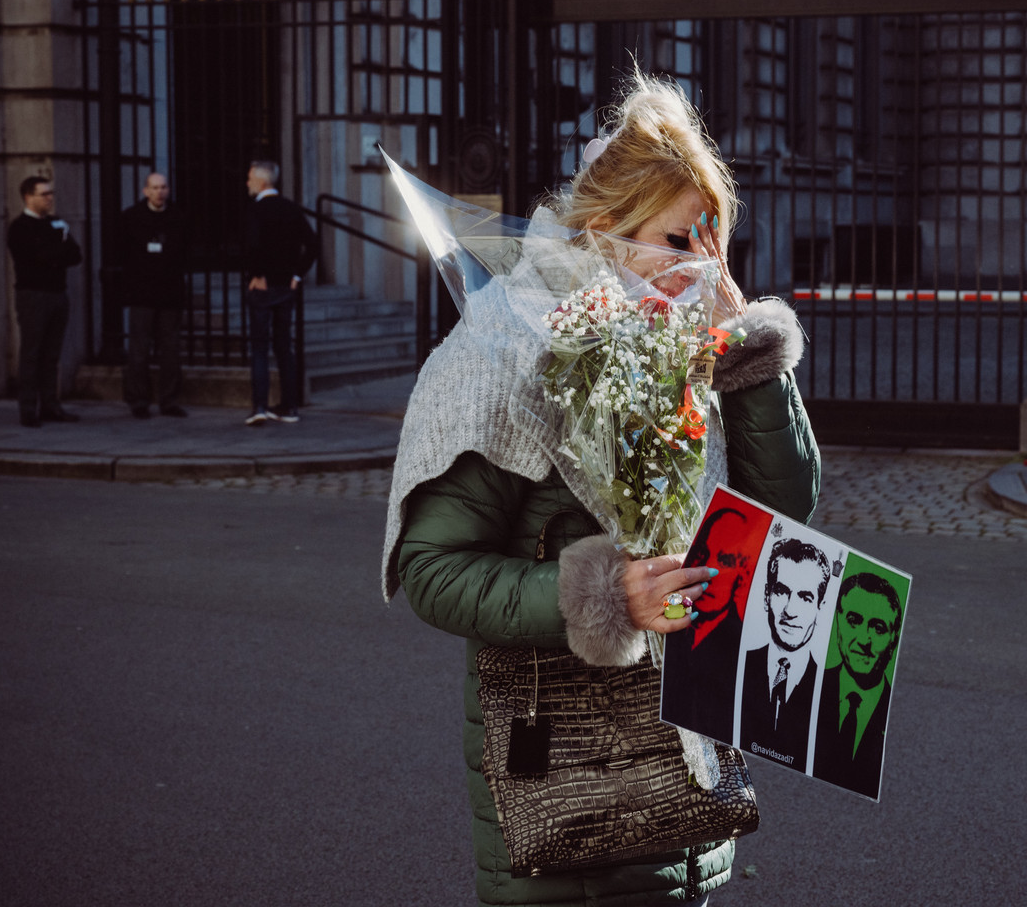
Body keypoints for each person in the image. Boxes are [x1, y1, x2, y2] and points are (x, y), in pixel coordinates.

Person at [382, 72, 820, 907]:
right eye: (679, 239)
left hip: (685, 763)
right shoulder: (503, 347)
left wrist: (749, 355)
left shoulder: (693, 343)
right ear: (606, 229)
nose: (700, 265)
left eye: (712, 239)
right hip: (565, 781)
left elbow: (783, 514)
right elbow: (434, 571)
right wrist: (601, 596)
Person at [660, 503, 767, 745]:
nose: (705, 567)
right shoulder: (669, 608)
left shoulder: (747, 648)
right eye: (702, 551)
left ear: (743, 574)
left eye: (725, 559)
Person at [739, 537, 832, 770]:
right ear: (766, 596)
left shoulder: (832, 692)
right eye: (781, 592)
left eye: (805, 597)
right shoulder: (736, 667)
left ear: (821, 606)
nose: (790, 610)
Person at [813, 571, 903, 799]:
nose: (864, 640)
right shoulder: (805, 689)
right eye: (854, 621)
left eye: (879, 628)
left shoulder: (898, 716)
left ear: (893, 641)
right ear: (837, 623)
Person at [243, 160, 318, 426]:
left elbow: (253, 246)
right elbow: (312, 244)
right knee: (284, 346)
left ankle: (260, 406)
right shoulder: (291, 208)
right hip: (286, 286)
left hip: (263, 287)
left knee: (260, 347)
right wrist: (297, 275)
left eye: (250, 178)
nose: (247, 183)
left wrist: (257, 274)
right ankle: (290, 406)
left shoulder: (256, 210)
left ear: (262, 182)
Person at [7, 176, 83, 427]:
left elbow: (75, 254)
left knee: (51, 354)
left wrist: (55, 251)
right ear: (29, 197)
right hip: (33, 295)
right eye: (44, 194)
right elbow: (38, 259)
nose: (49, 198)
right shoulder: (20, 227)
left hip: (57, 293)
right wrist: (56, 250)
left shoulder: (55, 223)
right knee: (32, 353)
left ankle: (51, 405)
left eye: (50, 193)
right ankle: (28, 408)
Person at [119, 172, 190, 419]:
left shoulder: (179, 217)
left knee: (170, 350)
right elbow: (123, 254)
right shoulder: (132, 217)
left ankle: (169, 400)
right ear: (145, 191)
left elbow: (186, 252)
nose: (160, 192)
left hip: (170, 292)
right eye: (155, 187)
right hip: (142, 293)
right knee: (139, 350)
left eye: (164, 187)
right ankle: (138, 400)